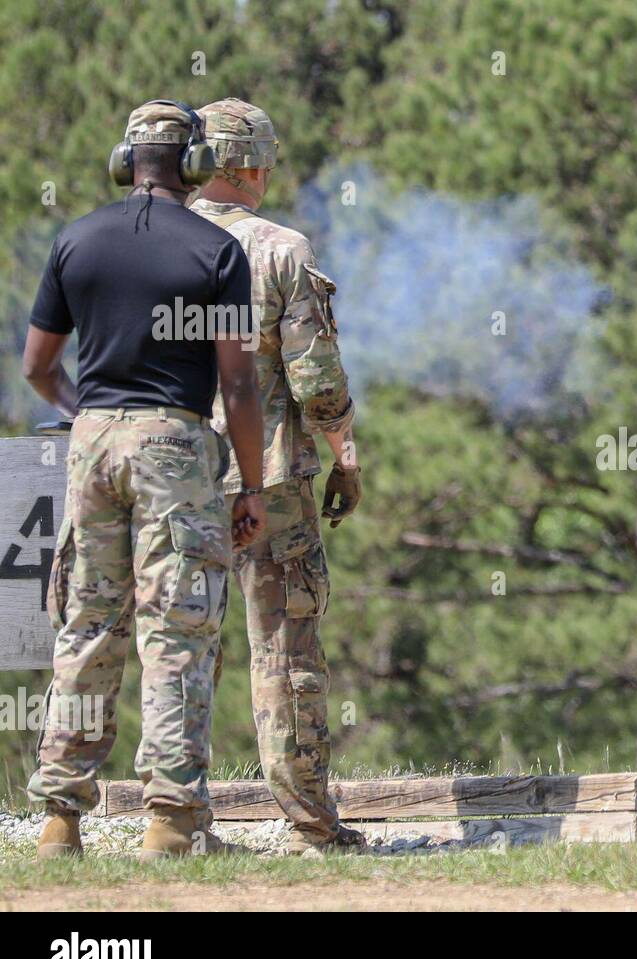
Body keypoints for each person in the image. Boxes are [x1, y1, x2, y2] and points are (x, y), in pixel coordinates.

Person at [24, 100, 267, 859]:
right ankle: (171, 820)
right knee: (178, 634)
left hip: (93, 443)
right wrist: (251, 488)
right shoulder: (215, 250)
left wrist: (87, 414)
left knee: (87, 627)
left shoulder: (75, 241)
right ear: (194, 166)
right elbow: (238, 385)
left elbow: (37, 368)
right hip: (176, 446)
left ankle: (60, 820)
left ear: (125, 162)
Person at [189, 98, 363, 854]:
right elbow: (317, 381)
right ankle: (309, 824)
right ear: (255, 164)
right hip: (272, 480)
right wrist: (347, 455)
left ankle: (176, 822)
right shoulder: (280, 250)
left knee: (182, 648)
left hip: (172, 479)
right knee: (285, 652)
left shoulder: (155, 239)